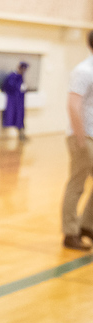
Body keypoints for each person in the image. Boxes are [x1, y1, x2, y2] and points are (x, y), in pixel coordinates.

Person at [61, 31, 93, 250]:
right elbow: (73, 105)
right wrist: (81, 139)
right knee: (77, 184)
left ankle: (87, 225)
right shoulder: (83, 71)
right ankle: (70, 232)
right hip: (83, 137)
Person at [0, 61, 29, 139]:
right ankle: (4, 136)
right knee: (11, 116)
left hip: (19, 102)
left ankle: (21, 134)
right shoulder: (12, 76)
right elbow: (8, 87)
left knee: (20, 118)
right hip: (13, 101)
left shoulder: (21, 77)